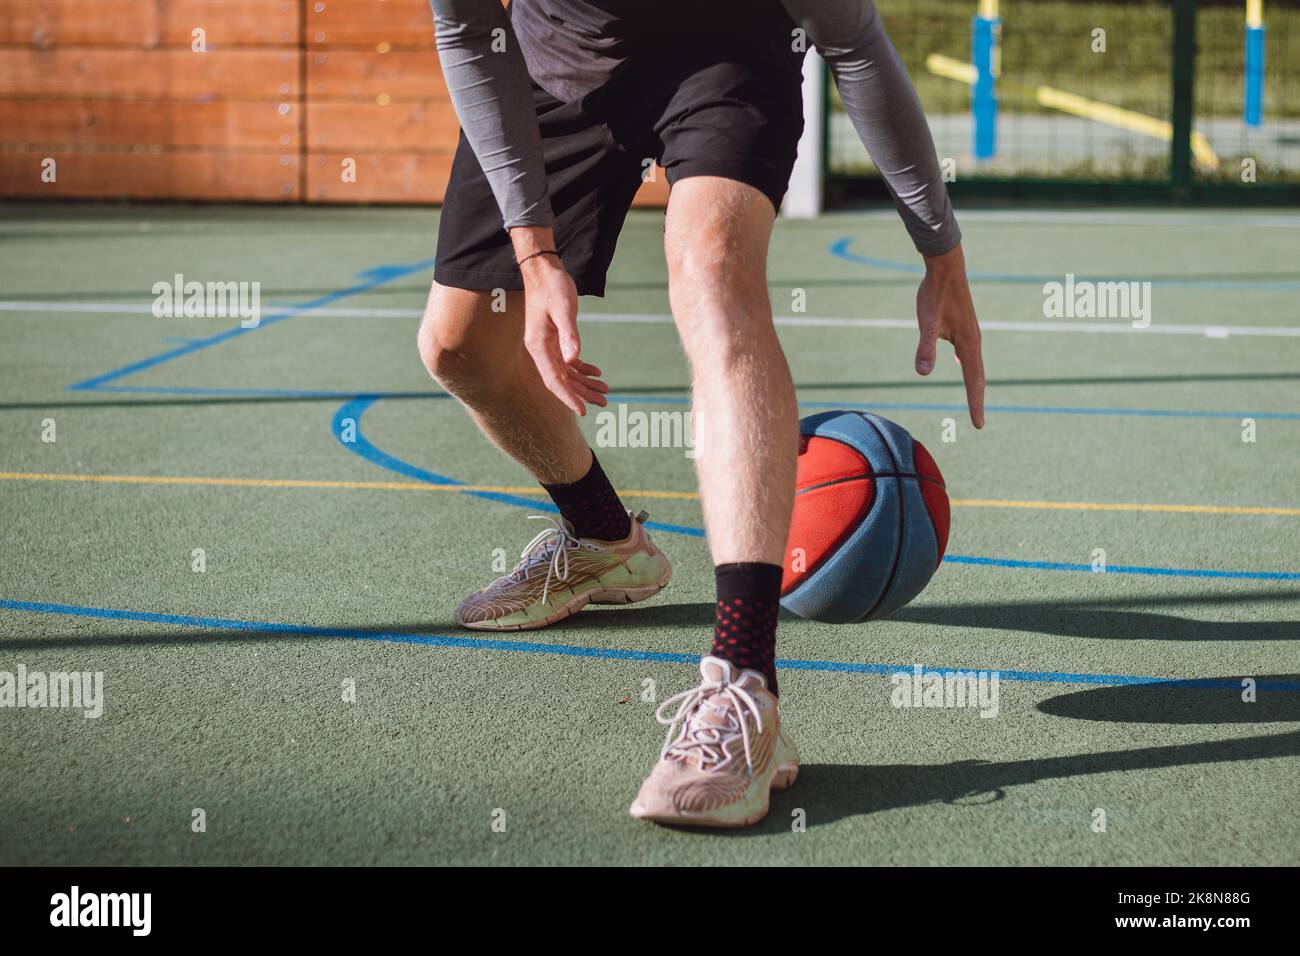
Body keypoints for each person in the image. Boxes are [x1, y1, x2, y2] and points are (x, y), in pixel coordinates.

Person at [421, 0, 985, 827]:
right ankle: (606, 541)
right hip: (552, 62)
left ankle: (744, 683)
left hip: (727, 49)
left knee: (715, 282)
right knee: (460, 349)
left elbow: (854, 45)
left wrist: (941, 247)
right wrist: (535, 252)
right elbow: (468, 28)